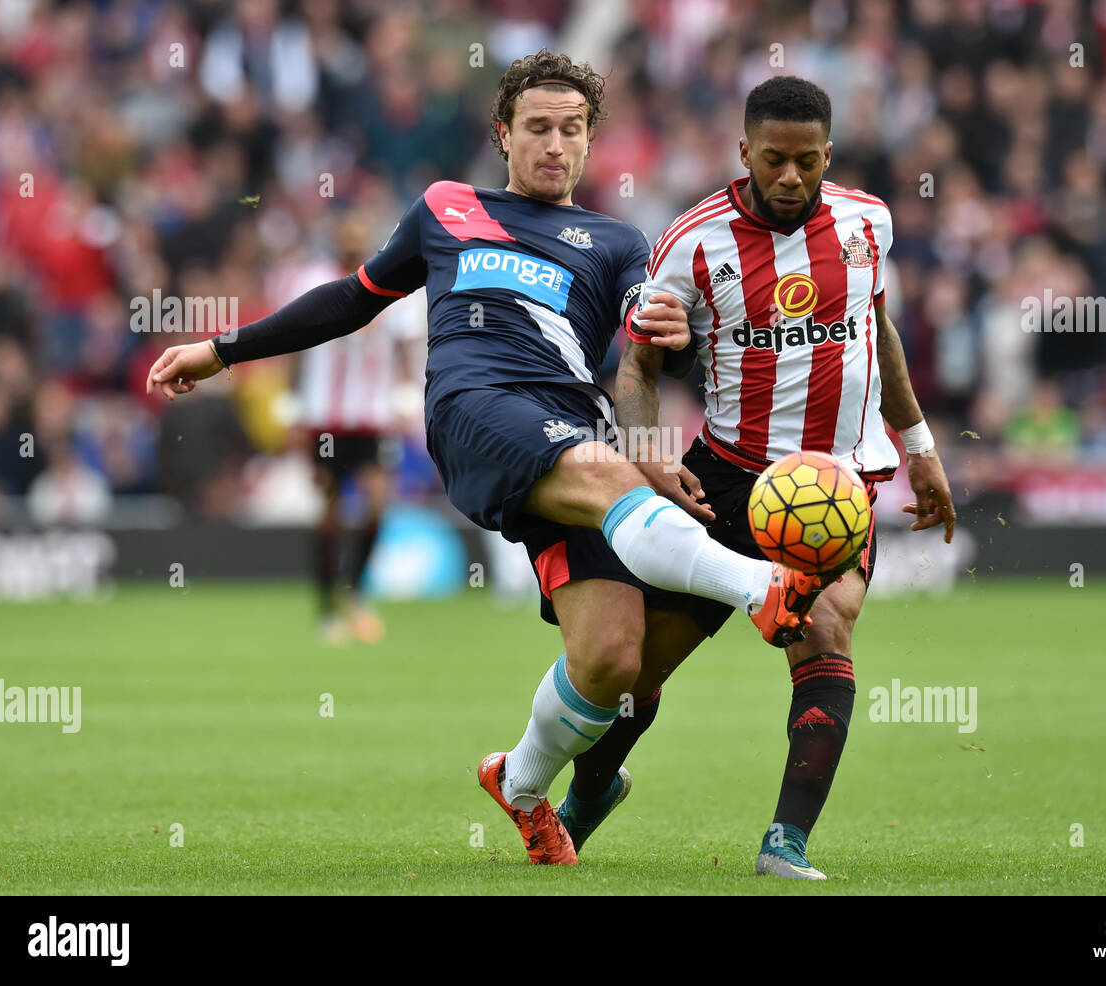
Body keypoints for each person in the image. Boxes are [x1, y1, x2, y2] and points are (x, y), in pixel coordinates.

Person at [145, 51, 829, 867]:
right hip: (477, 407)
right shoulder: (447, 208)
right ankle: (759, 586)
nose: (554, 145)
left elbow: (650, 349)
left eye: (571, 130)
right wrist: (222, 350)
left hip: (577, 432)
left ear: (588, 142)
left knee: (612, 660)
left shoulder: (616, 241)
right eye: (537, 128)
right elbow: (350, 300)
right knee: (610, 481)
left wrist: (670, 337)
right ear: (504, 134)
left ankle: (523, 782)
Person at [554, 76, 957, 880]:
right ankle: (591, 793)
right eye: (773, 160)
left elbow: (879, 332)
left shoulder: (867, 222)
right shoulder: (693, 241)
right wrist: (652, 456)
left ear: (828, 155)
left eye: (807, 161)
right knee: (637, 669)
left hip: (835, 488)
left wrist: (919, 446)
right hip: (724, 483)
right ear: (744, 151)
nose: (790, 177)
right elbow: (636, 369)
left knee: (826, 634)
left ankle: (787, 840)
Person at [274, 211, 420, 644]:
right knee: (329, 512)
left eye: (360, 237)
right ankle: (326, 607)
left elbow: (406, 349)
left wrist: (408, 397)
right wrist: (290, 405)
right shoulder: (311, 281)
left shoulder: (394, 287)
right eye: (346, 236)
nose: (352, 244)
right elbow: (290, 340)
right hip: (322, 417)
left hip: (372, 417)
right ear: (335, 239)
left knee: (377, 503)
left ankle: (354, 593)